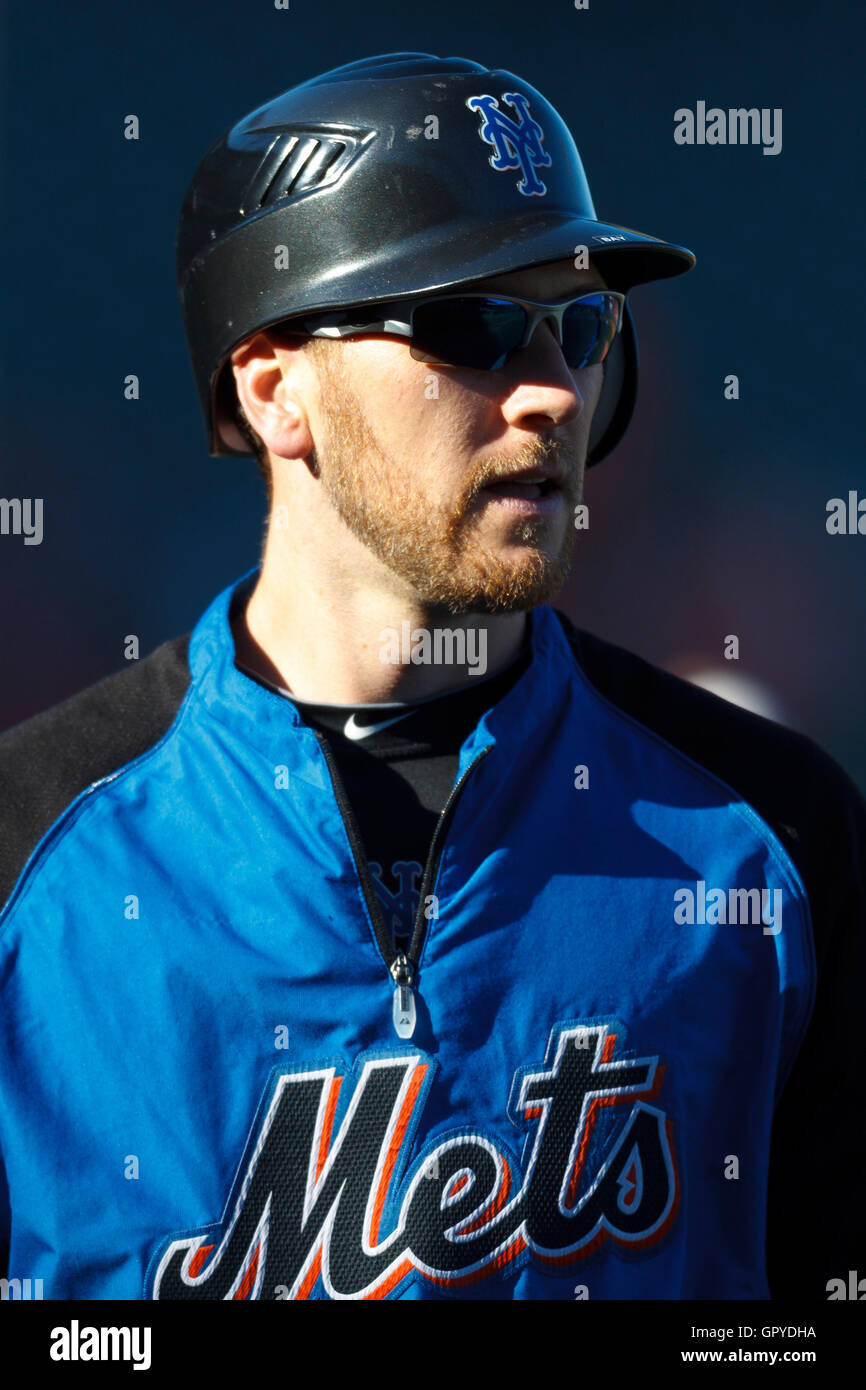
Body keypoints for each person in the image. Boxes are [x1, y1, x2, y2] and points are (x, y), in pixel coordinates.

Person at [0, 51, 863, 1303]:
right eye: (470, 327)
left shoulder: (767, 834)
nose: (553, 393)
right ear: (271, 386)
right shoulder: (31, 849)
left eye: (578, 329)